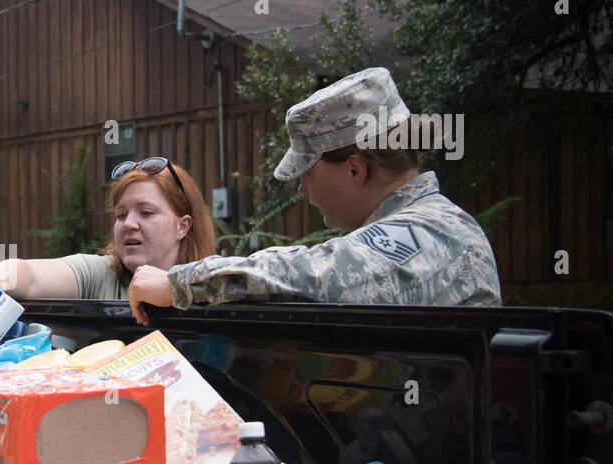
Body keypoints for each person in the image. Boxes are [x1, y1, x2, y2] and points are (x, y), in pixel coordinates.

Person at [127, 67, 503, 325]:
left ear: (356, 170)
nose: (302, 190)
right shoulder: (426, 227)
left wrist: (180, 283)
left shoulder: (431, 233)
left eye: (307, 173)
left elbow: (314, 274)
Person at [0, 158, 216, 303]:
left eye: (146, 213)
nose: (128, 224)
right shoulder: (101, 274)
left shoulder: (214, 286)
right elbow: (31, 275)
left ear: (183, 226)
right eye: (121, 214)